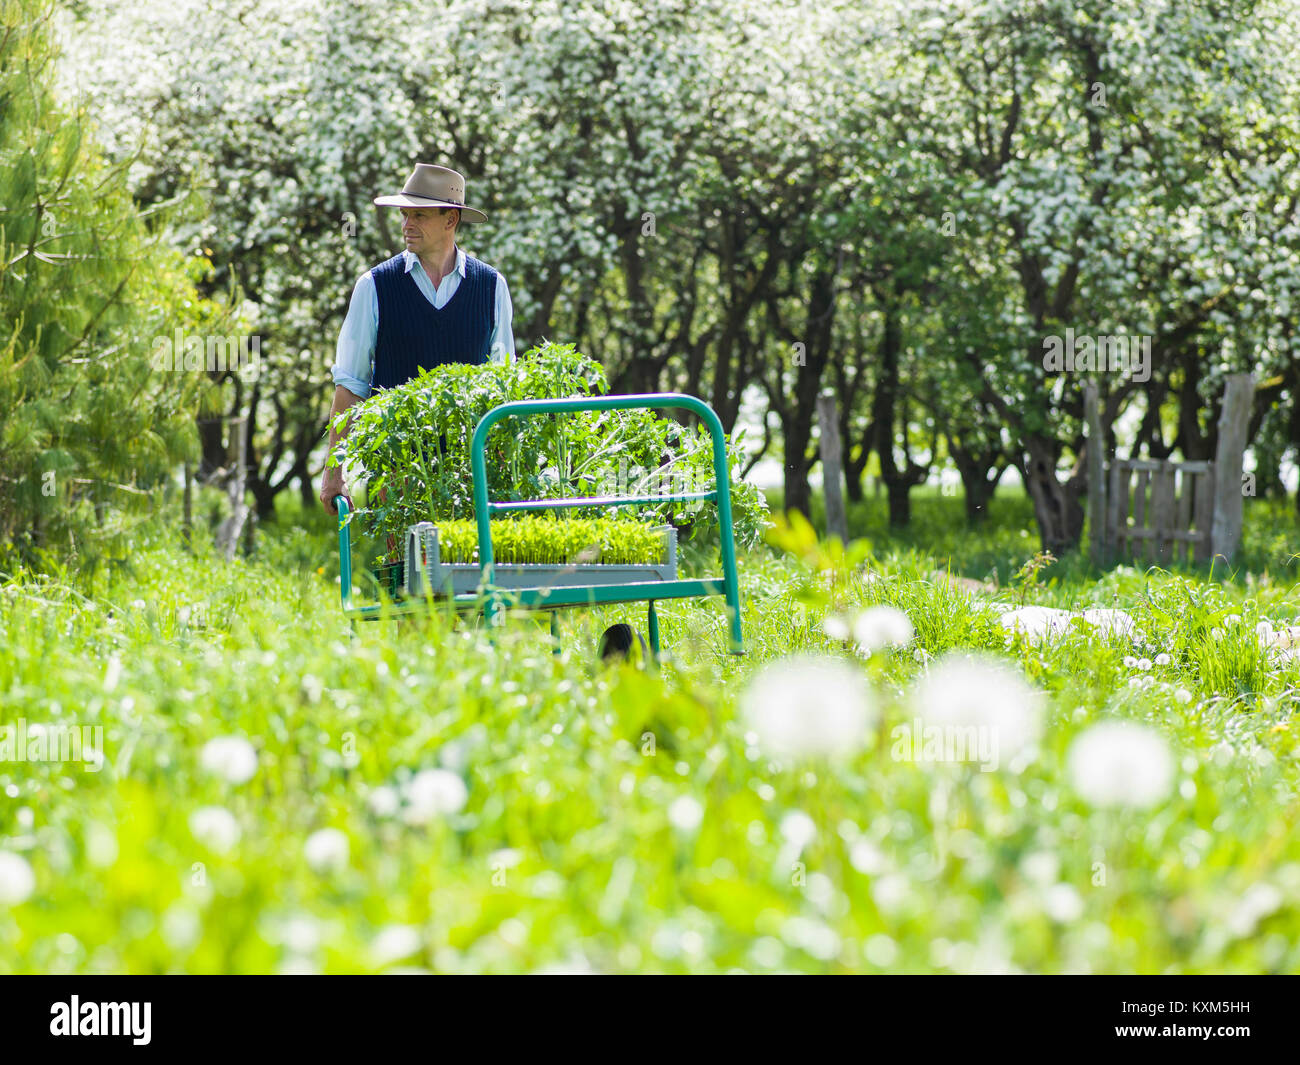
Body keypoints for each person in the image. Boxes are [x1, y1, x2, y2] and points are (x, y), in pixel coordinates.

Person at [319, 163, 515, 515]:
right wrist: (334, 474)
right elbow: (350, 385)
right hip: (396, 470)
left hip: (470, 471)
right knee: (407, 566)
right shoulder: (375, 286)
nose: (407, 225)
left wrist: (507, 468)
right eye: (404, 215)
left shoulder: (491, 287)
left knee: (467, 566)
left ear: (450, 220)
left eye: (419, 216)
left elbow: (503, 389)